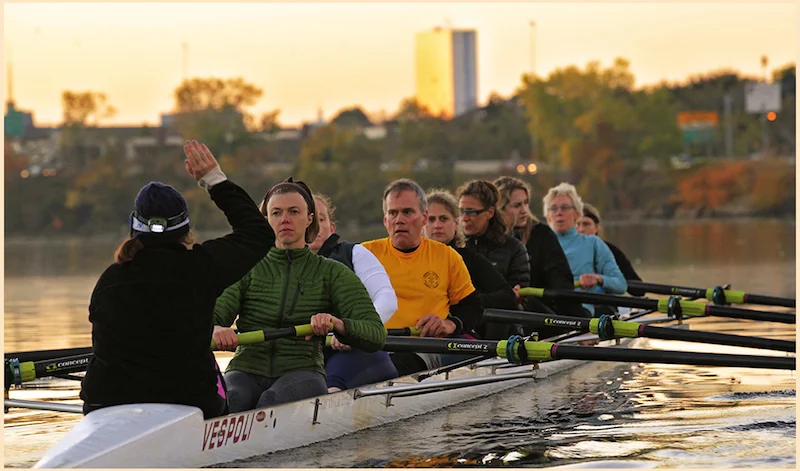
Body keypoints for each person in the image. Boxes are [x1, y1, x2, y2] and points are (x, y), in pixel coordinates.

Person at [81, 140, 274, 419]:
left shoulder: (109, 279)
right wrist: (213, 179)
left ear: (134, 229)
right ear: (185, 230)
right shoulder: (202, 267)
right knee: (218, 381)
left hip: (106, 403)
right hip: (187, 401)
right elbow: (259, 233)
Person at [212, 178, 387, 413]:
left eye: (294, 212)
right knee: (228, 402)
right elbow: (211, 314)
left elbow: (375, 333)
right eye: (277, 213)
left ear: (309, 219)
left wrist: (337, 324)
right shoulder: (247, 267)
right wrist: (213, 327)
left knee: (270, 403)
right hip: (245, 367)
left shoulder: (332, 272)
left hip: (302, 371)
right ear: (267, 220)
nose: (285, 219)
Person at [361, 179, 482, 376]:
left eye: (407, 212)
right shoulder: (364, 254)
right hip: (375, 345)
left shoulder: (446, 256)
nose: (399, 219)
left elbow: (473, 308)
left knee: (392, 367)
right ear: (385, 220)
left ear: (424, 217)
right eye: (393, 213)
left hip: (423, 345)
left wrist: (449, 324)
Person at [309, 193, 399, 392]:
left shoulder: (354, 253)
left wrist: (354, 331)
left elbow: (387, 299)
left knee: (328, 390)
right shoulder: (277, 264)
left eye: (321, 219)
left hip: (355, 351)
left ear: (332, 228)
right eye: (309, 218)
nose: (315, 225)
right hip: (307, 354)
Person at [493, 176, 586, 320]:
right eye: (517, 205)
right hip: (500, 313)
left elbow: (562, 284)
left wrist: (579, 322)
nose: (524, 210)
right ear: (500, 209)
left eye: (526, 203)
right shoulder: (487, 240)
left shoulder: (542, 235)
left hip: (543, 315)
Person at [455, 180, 530, 339]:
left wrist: (467, 300)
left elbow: (512, 298)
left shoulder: (514, 248)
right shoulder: (457, 249)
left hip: (503, 327)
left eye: (472, 212)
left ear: (489, 212)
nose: (465, 218)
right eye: (461, 211)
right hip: (467, 324)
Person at [542, 182, 627, 316]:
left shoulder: (593, 244)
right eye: (553, 208)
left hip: (579, 311)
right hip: (546, 311)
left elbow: (620, 285)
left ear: (577, 213)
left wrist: (598, 279)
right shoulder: (538, 244)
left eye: (565, 208)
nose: (559, 213)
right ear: (547, 216)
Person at [577, 203, 645, 297]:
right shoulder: (562, 249)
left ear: (596, 228)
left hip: (603, 305)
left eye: (586, 224)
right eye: (576, 224)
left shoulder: (611, 251)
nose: (581, 230)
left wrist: (601, 280)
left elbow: (639, 291)